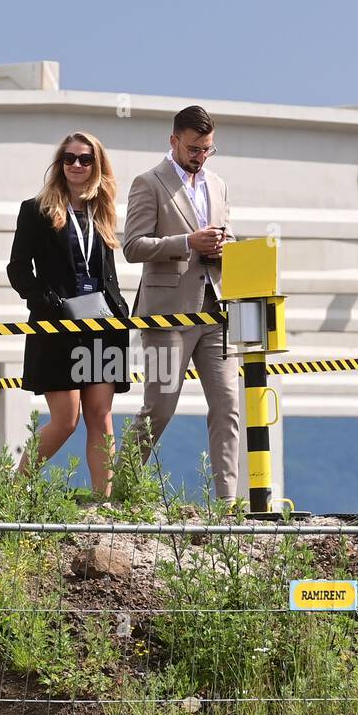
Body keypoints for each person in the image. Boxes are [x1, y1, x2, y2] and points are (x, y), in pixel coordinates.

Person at [123, 106, 240, 502]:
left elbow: (228, 234)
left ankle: (227, 505)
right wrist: (187, 242)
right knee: (159, 408)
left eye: (208, 149)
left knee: (227, 405)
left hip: (216, 310)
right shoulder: (148, 183)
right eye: (193, 148)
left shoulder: (219, 185)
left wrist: (226, 246)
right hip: (167, 314)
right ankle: (118, 491)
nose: (200, 156)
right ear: (174, 141)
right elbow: (133, 246)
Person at [6, 131, 131, 497]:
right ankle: (14, 495)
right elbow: (17, 270)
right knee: (66, 420)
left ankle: (103, 507)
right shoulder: (35, 209)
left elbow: (104, 272)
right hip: (57, 326)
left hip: (103, 327)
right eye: (69, 158)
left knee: (101, 418)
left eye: (85, 158)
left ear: (97, 165)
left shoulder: (102, 210)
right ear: (60, 164)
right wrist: (50, 305)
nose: (77, 164)